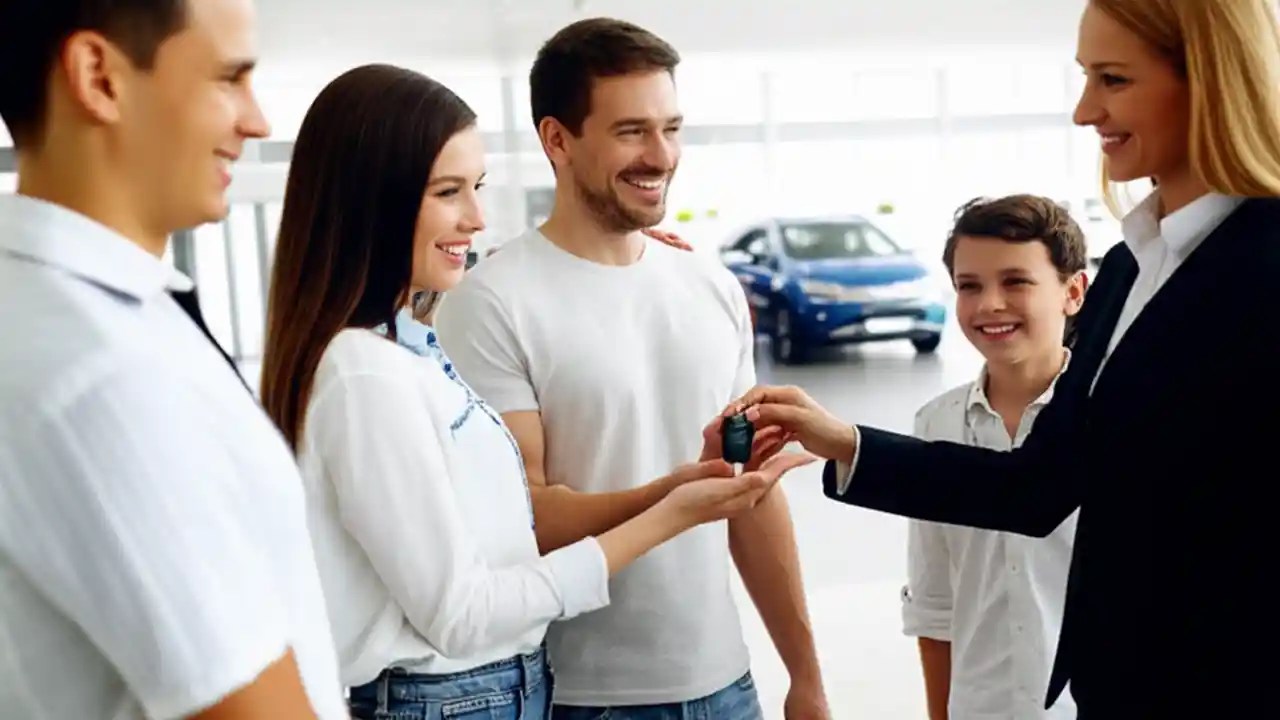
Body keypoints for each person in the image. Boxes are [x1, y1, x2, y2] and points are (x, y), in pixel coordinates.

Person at [729, 1, 1280, 716]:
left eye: (1112, 79)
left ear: (1208, 81)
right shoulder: (1127, 272)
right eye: (1086, 77)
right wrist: (847, 443)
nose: (1085, 111)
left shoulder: (1263, 267)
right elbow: (1039, 483)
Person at [258, 64, 809, 720]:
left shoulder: (412, 350)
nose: (476, 217)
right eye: (447, 191)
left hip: (509, 690)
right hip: (465, 696)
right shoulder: (367, 373)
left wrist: (682, 484)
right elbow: (462, 612)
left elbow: (497, 526)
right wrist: (671, 511)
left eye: (478, 187)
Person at [436, 18, 831, 720]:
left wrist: (805, 673)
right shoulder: (490, 304)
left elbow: (752, 490)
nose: (662, 155)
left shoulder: (708, 283)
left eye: (670, 128)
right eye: (631, 132)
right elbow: (521, 515)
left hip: (727, 686)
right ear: (557, 139)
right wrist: (673, 493)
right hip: (580, 697)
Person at [0, 1, 348, 719]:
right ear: (99, 77)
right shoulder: (103, 373)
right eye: (229, 78)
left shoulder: (59, 316)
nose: (257, 121)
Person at [902, 196, 1087, 720]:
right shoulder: (933, 426)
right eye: (969, 286)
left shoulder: (1116, 419)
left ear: (1073, 292)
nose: (989, 305)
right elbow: (934, 605)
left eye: (1016, 282)